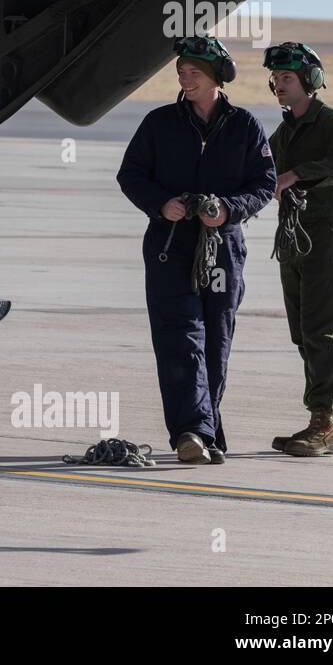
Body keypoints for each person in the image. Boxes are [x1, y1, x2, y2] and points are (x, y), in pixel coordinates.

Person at [117, 37, 275, 464]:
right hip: (170, 246)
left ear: (218, 77)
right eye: (182, 72)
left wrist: (228, 209)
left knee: (216, 339)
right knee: (181, 335)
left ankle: (207, 432)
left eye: (195, 73)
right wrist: (161, 204)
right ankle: (191, 432)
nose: (186, 80)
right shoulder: (159, 123)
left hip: (222, 248)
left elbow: (264, 184)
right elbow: (131, 174)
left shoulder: (245, 126)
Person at [264, 42, 333, 456]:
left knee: (326, 331)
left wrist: (296, 175)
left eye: (286, 78)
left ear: (311, 81)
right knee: (304, 333)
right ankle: (316, 418)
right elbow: (259, 169)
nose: (279, 85)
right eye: (275, 78)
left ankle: (325, 423)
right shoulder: (284, 132)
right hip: (293, 239)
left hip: (328, 240)